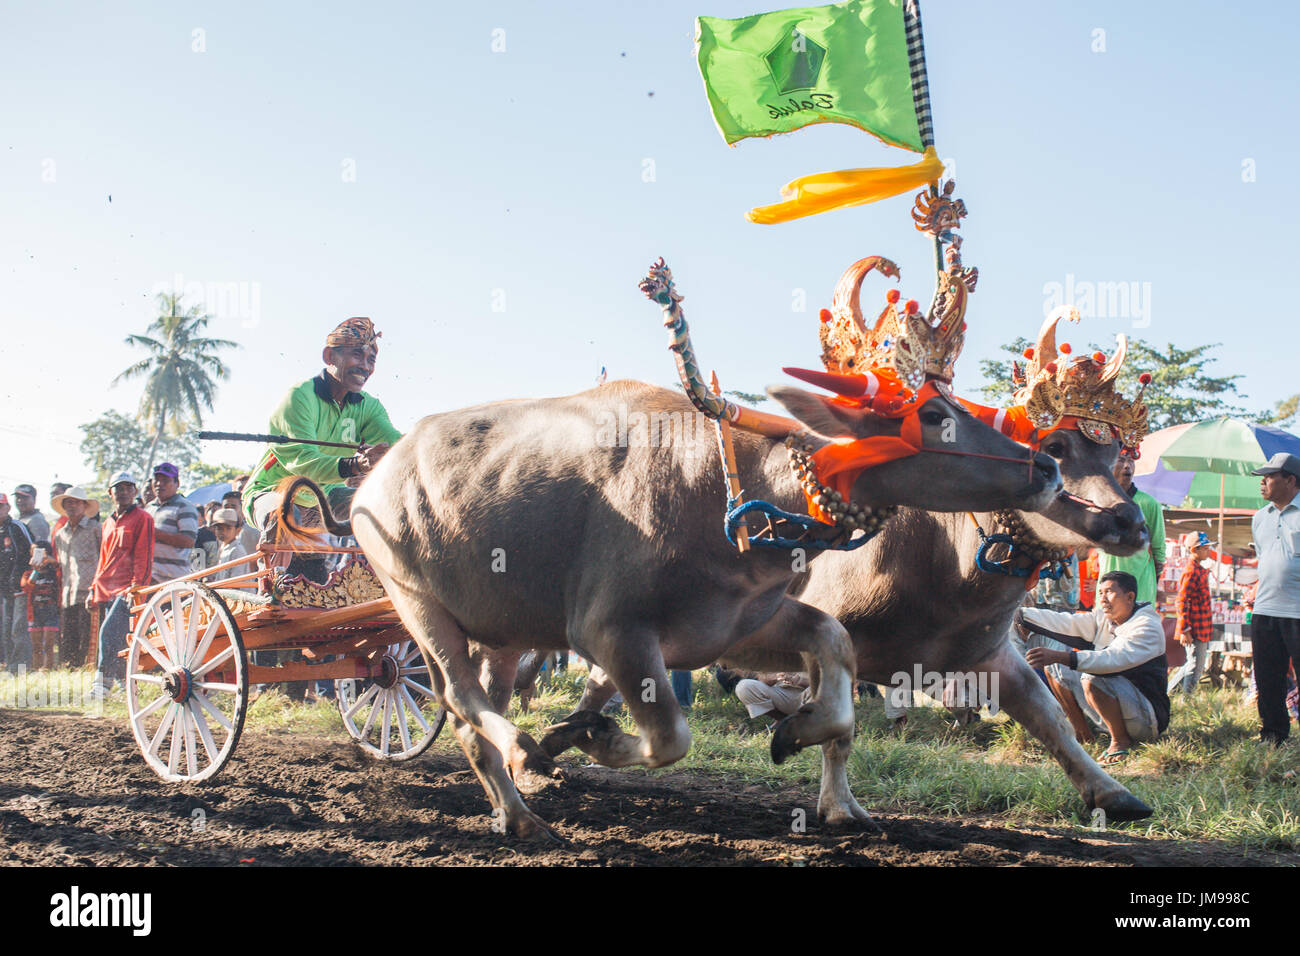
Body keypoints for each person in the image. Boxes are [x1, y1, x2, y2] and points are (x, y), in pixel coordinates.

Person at [241, 316, 402, 581]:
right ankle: (271, 582)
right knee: (282, 513)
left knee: (383, 506)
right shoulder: (299, 398)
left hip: (322, 499)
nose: (364, 366)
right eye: (356, 355)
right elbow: (303, 461)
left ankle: (385, 581)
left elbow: (395, 444)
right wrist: (355, 465)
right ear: (329, 355)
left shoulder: (368, 407)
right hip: (271, 493)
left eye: (371, 360)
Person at [1017, 570, 1170, 764]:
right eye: (1100, 593)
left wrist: (1061, 655)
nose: (1103, 599)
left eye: (1109, 592)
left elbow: (1111, 659)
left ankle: (1120, 741)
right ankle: (1082, 734)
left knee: (1092, 678)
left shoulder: (1146, 626)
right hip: (1121, 711)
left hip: (1147, 720)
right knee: (1055, 668)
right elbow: (1067, 622)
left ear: (1130, 597)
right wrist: (1020, 615)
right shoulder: (1105, 620)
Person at [1247, 452, 1300, 745]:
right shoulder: (1259, 518)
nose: (1263, 483)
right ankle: (1273, 734)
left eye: (1269, 477)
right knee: (1268, 678)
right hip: (1266, 608)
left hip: (1298, 610)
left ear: (1290, 480)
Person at [88, 474, 154, 698]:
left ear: (135, 491)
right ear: (110, 493)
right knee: (116, 639)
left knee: (109, 633)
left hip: (126, 589)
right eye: (118, 488)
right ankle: (124, 686)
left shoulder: (143, 518)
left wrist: (136, 588)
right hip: (105, 588)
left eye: (128, 487)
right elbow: (102, 559)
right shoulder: (108, 522)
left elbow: (143, 556)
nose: (123, 492)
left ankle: (102, 685)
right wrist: (92, 588)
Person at [1099, 450, 1166, 605]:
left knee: (1138, 625)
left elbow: (1159, 547)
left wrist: (1154, 579)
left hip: (1140, 583)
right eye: (1121, 460)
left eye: (1131, 461)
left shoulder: (1149, 503)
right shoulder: (1100, 501)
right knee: (1106, 626)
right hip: (1106, 581)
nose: (1127, 466)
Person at [52, 486, 101, 668]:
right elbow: (62, 564)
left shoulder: (95, 528)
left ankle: (88, 668)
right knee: (69, 635)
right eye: (68, 503)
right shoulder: (60, 534)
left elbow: (103, 557)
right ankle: (70, 669)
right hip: (68, 591)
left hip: (88, 590)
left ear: (84, 505)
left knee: (87, 634)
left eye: (76, 502)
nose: (72, 506)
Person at [1173, 531, 1214, 696]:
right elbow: (1181, 601)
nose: (1208, 551)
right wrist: (1185, 629)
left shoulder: (1199, 569)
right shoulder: (1191, 571)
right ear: (1194, 550)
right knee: (1194, 666)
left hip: (1201, 627)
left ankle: (1171, 695)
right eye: (1205, 548)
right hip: (1195, 629)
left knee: (1194, 665)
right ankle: (1186, 701)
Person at [146, 462, 199, 583]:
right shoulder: (149, 507)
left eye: (165, 480)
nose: (159, 484)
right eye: (156, 480)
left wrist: (155, 533)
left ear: (177, 484)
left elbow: (188, 541)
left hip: (173, 579)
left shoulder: (185, 507)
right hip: (151, 577)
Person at [0, 494, 33, 671]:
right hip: (3, 590)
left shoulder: (17, 527)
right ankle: (10, 668)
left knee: (18, 630)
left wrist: (27, 578)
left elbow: (33, 551)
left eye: (0, 507)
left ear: (7, 508)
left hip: (20, 586)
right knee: (5, 631)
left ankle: (21, 668)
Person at [21, 542, 61, 669]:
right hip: (35, 612)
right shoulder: (27, 573)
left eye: (40, 553)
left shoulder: (55, 572)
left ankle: (48, 669)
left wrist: (53, 562)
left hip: (51, 611)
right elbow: (26, 587)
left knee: (49, 645)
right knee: (36, 646)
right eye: (34, 552)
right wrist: (36, 571)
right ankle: (36, 669)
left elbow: (63, 574)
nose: (36, 555)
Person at [734, 671, 810, 725]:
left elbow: (821, 682)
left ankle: (813, 725)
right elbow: (762, 677)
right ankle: (787, 722)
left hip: (812, 694)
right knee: (744, 687)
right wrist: (775, 676)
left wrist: (798, 680)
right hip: (785, 694)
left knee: (818, 691)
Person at [208, 508, 249, 582]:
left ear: (237, 530)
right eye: (219, 528)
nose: (223, 532)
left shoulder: (237, 551)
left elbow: (236, 583)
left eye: (228, 528)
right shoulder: (222, 547)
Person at [222, 490, 261, 557]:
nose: (230, 510)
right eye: (226, 507)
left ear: (242, 509)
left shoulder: (253, 532)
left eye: (233, 507)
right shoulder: (220, 533)